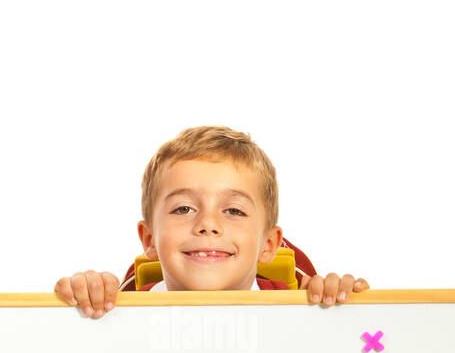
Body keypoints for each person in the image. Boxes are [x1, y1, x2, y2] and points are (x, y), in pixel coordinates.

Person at [53, 125, 369, 315]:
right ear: (149, 239)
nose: (208, 224)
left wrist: (340, 311)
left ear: (269, 245)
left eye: (233, 211)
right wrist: (84, 303)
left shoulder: (298, 306)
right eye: (183, 209)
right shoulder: (120, 308)